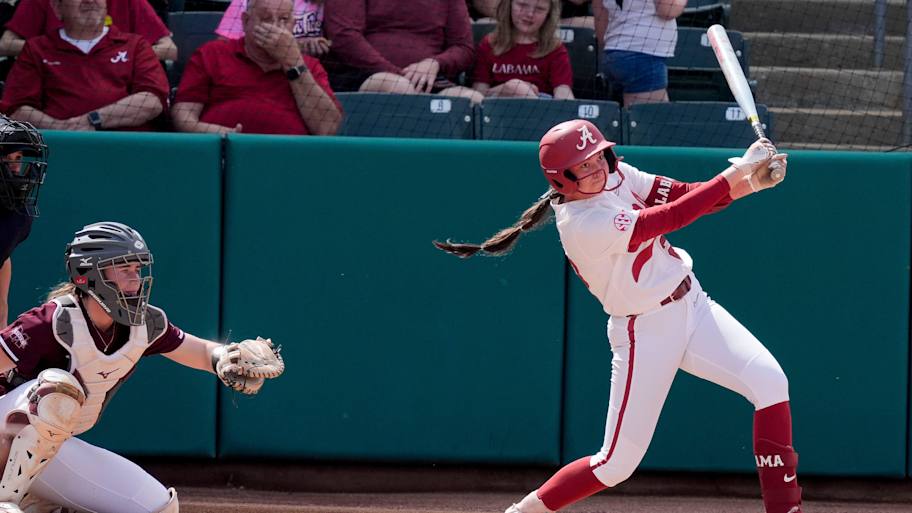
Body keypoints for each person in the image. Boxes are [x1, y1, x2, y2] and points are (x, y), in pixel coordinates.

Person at [434, 119, 801, 513]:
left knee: (769, 382)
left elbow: (683, 196)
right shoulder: (582, 224)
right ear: (562, 180)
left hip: (693, 303)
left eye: (597, 158)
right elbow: (669, 218)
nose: (596, 169)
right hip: (645, 330)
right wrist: (736, 171)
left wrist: (750, 184)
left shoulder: (617, 174)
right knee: (615, 464)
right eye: (583, 166)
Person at [0, 221, 285, 513]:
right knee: (57, 391)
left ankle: (38, 502)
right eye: (124, 270)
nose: (135, 280)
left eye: (137, 269)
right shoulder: (51, 322)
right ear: (87, 275)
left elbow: (198, 350)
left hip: (39, 454)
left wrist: (226, 357)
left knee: (157, 507)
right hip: (4, 435)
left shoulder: (143, 326)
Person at [171, 0, 342, 135]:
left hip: (289, 160)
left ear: (293, 24)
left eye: (284, 19)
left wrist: (293, 63)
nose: (275, 27)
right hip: (221, 155)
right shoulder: (212, 54)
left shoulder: (310, 67)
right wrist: (220, 135)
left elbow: (327, 129)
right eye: (266, 19)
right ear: (245, 21)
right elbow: (183, 117)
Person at [0, 0, 169, 131]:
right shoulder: (36, 50)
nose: (89, 0)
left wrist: (92, 120)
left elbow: (152, 101)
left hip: (125, 149)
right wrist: (62, 130)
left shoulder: (136, 46)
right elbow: (16, 109)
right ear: (57, 8)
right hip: (58, 148)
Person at [323, 0, 483, 104]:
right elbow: (344, 36)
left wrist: (434, 63)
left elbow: (463, 47)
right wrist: (396, 72)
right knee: (399, 88)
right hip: (363, 75)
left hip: (427, 80)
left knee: (473, 100)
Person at [0, 0, 176, 61]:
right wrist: (60, 49)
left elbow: (170, 50)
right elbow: (5, 44)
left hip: (118, 80)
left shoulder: (131, 1)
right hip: (56, 77)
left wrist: (118, 55)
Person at [472, 0, 574, 100]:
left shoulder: (554, 48)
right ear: (509, 5)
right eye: (522, 5)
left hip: (541, 106)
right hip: (497, 106)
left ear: (549, 14)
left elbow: (563, 92)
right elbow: (479, 94)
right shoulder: (489, 44)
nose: (530, 14)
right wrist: (506, 89)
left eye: (539, 9)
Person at [593, 0, 686, 106]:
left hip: (613, 54)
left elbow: (600, 16)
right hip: (643, 57)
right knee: (649, 119)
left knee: (661, 116)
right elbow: (669, 10)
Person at [0, 117, 46, 331]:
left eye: (18, 157)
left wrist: (2, 311)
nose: (15, 166)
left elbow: (3, 255)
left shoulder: (15, 215)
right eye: (6, 158)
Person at [216, 0, 332, 58]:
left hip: (306, 71)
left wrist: (320, 43)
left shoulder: (321, 3)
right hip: (256, 70)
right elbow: (223, 48)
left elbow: (339, 41)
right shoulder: (246, 2)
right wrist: (294, 45)